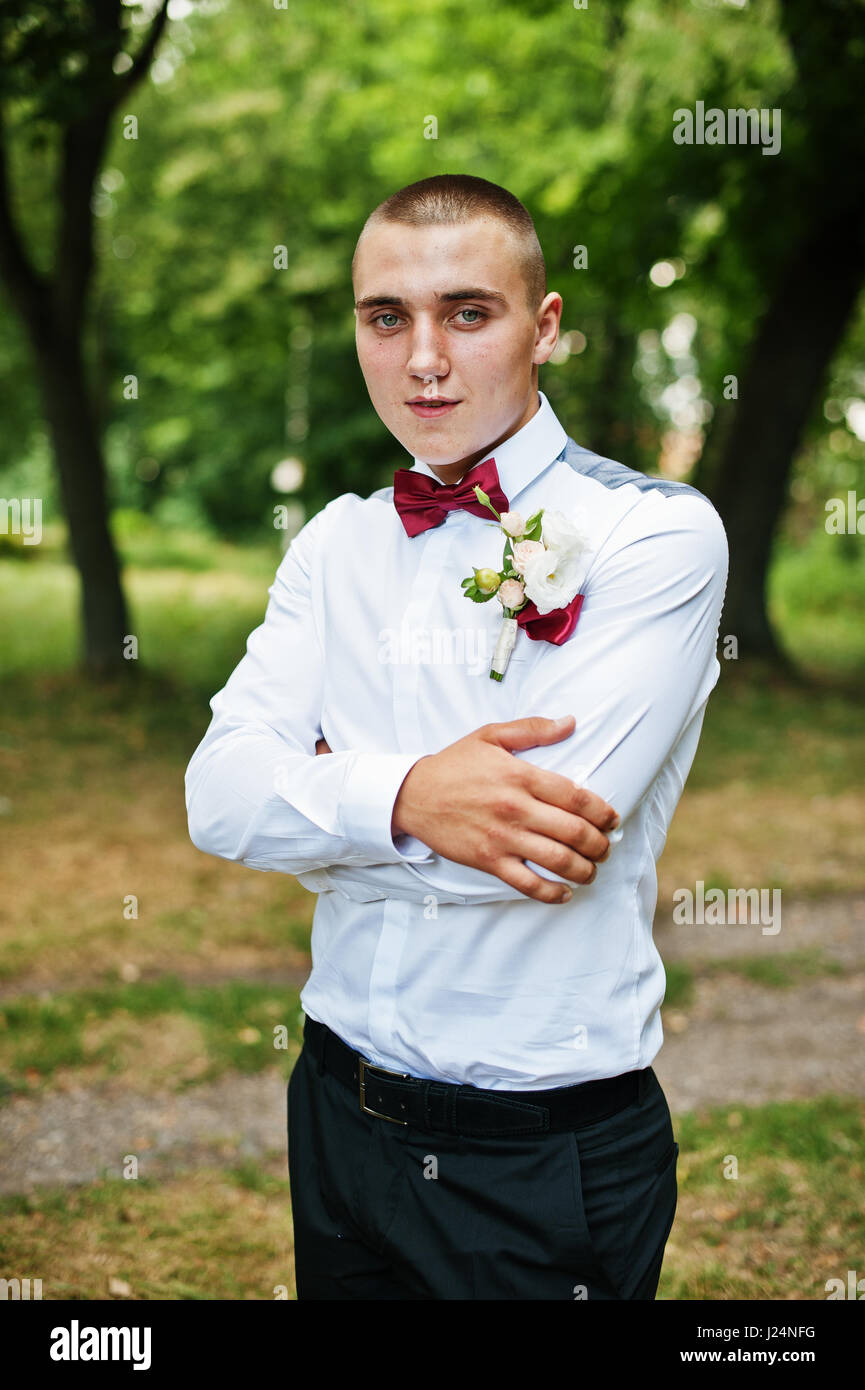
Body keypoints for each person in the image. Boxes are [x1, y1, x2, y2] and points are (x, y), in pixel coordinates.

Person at [184, 173, 728, 1301]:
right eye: (387, 317)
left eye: (465, 313)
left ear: (543, 326)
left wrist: (325, 796)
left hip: (537, 1152)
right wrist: (408, 798)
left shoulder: (655, 535)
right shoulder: (336, 545)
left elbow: (535, 847)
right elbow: (219, 797)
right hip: (335, 1111)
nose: (422, 356)